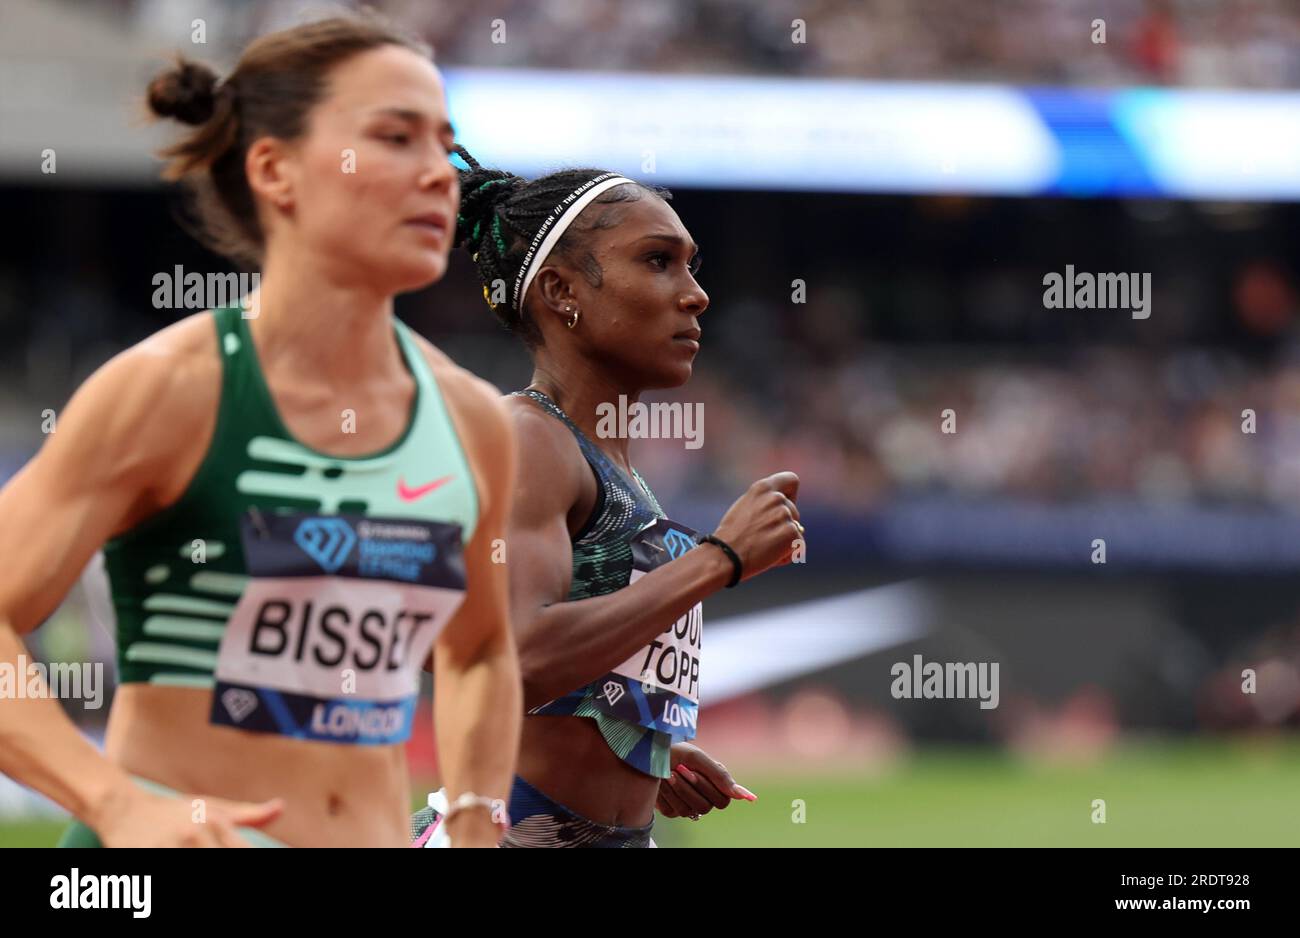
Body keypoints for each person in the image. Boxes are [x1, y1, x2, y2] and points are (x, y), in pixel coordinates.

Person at [0, 14, 520, 848]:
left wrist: (474, 821)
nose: (438, 174)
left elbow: (482, 649)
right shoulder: (171, 391)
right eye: (395, 138)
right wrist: (111, 799)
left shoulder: (472, 420)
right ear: (275, 170)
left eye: (445, 145)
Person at [412, 148, 801, 847]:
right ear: (562, 292)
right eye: (658, 261)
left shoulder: (613, 464)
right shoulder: (528, 438)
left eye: (692, 265)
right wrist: (719, 559)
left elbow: (575, 673)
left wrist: (643, 751)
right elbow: (516, 659)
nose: (695, 293)